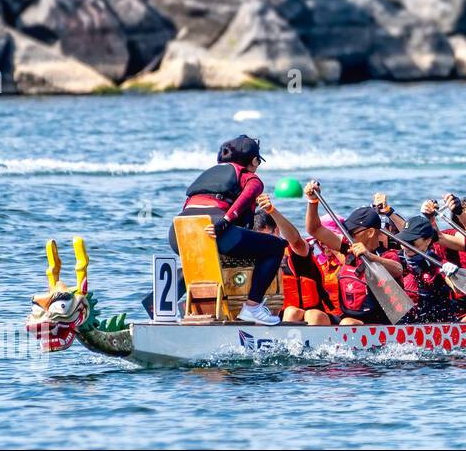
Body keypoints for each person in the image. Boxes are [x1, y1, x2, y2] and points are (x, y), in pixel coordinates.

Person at [171, 135, 284, 326]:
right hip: (216, 227)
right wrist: (225, 221)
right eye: (258, 162)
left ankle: (159, 309)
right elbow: (248, 195)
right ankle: (252, 308)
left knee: (204, 260)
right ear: (254, 160)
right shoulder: (250, 176)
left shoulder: (207, 174)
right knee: (276, 246)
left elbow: (188, 205)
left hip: (178, 233)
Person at [304, 183, 406, 325]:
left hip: (379, 323)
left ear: (370, 233)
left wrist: (371, 257)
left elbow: (398, 269)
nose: (348, 236)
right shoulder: (348, 249)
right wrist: (312, 201)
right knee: (312, 315)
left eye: (352, 233)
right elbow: (314, 229)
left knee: (347, 323)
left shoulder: (388, 255)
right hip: (349, 318)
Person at [255, 194, 340, 326]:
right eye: (257, 240)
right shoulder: (254, 260)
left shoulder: (295, 253)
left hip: (314, 317)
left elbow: (295, 240)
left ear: (277, 231)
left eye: (265, 237)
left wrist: (272, 210)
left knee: (293, 312)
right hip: (278, 318)